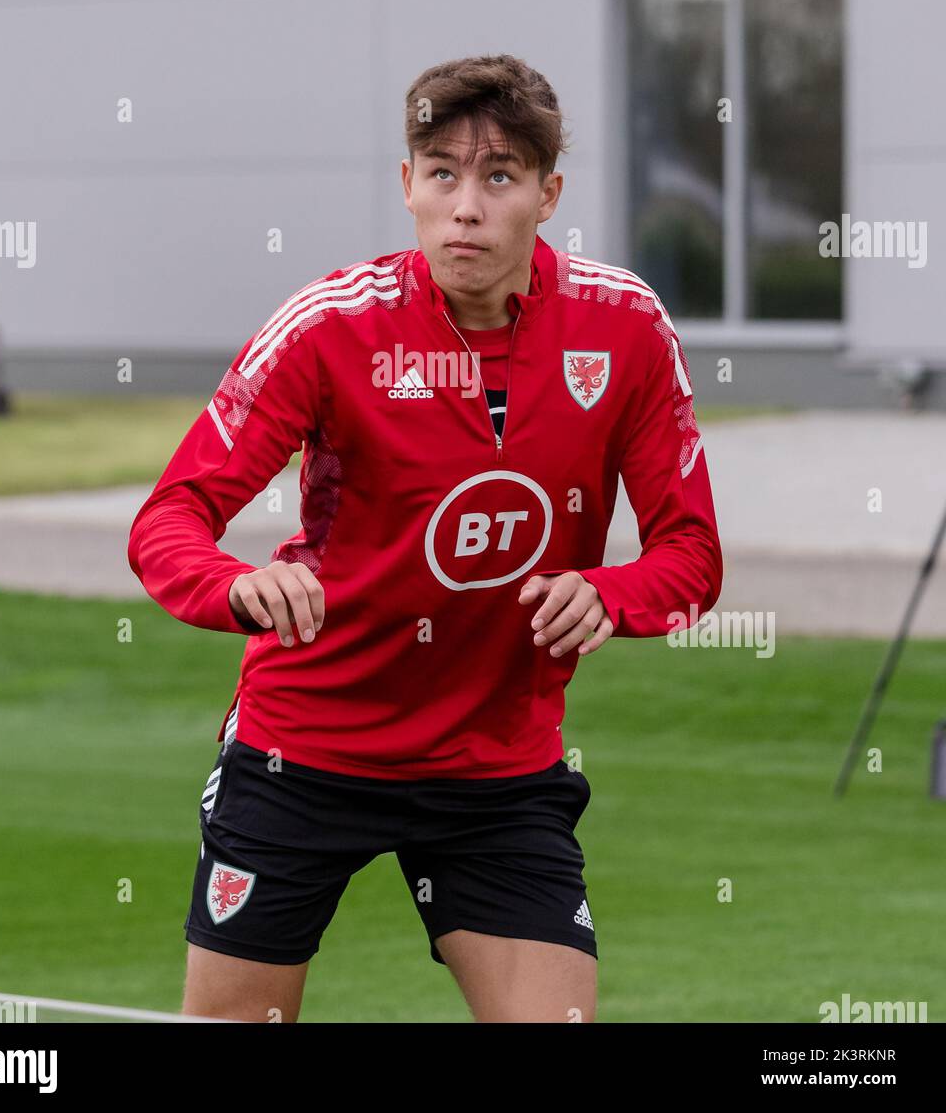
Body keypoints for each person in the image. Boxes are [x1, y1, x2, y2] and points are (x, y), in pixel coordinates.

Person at [127, 53, 723, 1023]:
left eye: (499, 176)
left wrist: (610, 596)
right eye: (440, 172)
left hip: (496, 769)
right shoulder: (328, 329)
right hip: (304, 750)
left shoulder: (625, 331)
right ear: (405, 187)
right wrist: (233, 585)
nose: (466, 207)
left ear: (547, 194)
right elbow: (169, 521)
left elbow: (690, 558)